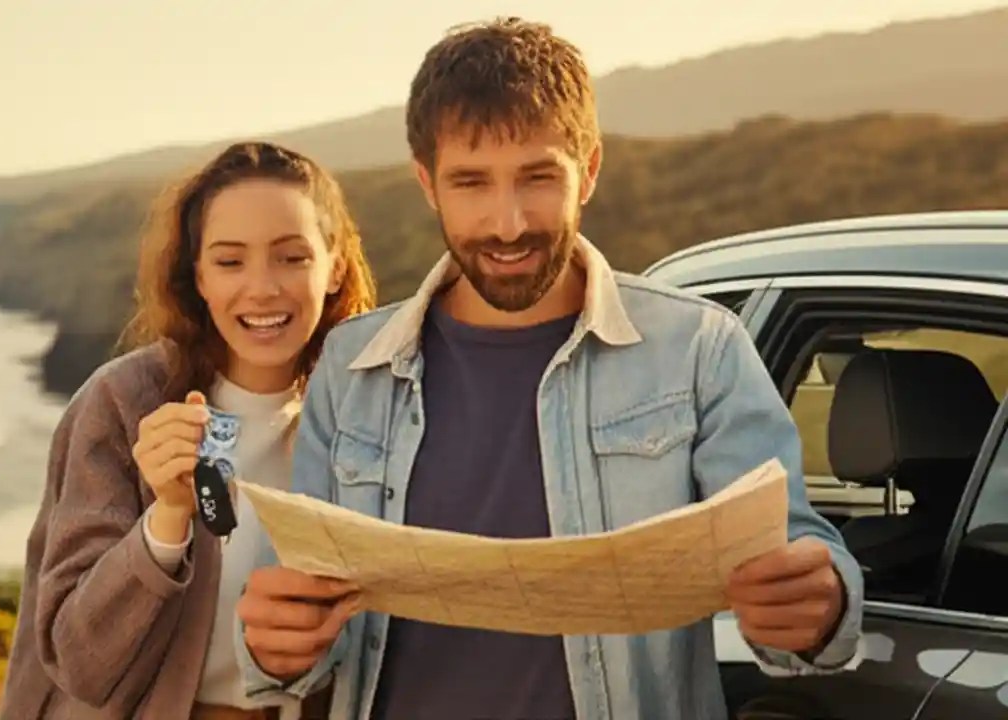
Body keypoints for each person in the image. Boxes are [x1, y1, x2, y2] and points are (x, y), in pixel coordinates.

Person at [234, 17, 864, 720]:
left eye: (538, 178)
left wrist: (821, 602)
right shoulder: (351, 367)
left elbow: (799, 547)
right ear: (427, 184)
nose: (507, 223)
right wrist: (273, 646)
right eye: (471, 183)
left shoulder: (699, 349)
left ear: (588, 170)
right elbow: (304, 629)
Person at [0, 140, 377, 720]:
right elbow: (78, 662)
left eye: (291, 257)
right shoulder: (123, 402)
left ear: (335, 269)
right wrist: (166, 521)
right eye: (230, 262)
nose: (262, 287)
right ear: (197, 277)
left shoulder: (369, 415)